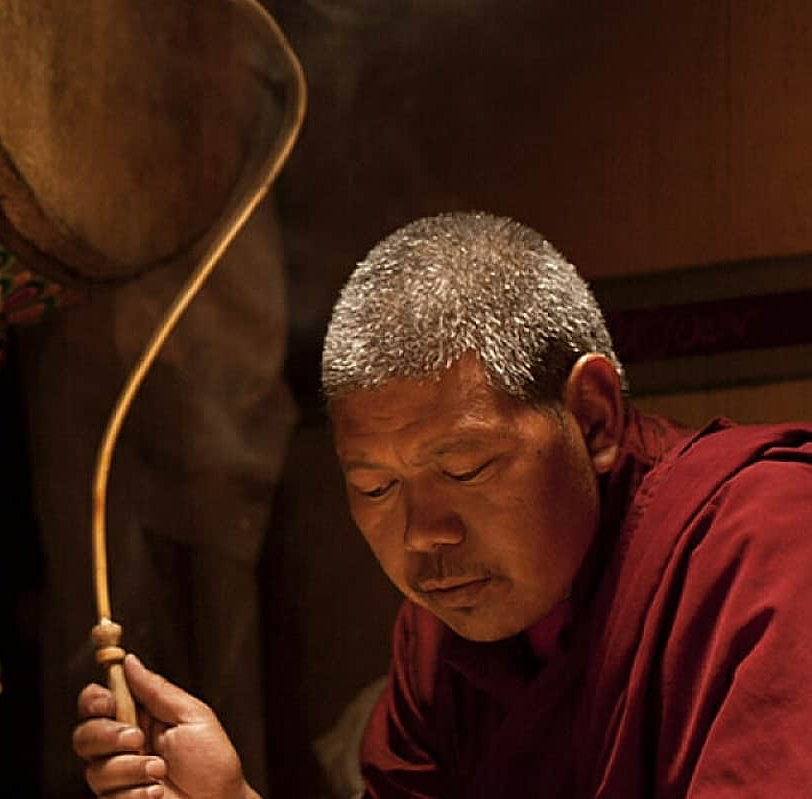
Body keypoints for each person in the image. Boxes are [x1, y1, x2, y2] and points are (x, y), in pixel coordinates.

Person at [72, 212, 812, 798]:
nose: (426, 535)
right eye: (375, 487)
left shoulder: (768, 545)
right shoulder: (440, 642)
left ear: (592, 417)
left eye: (466, 466)